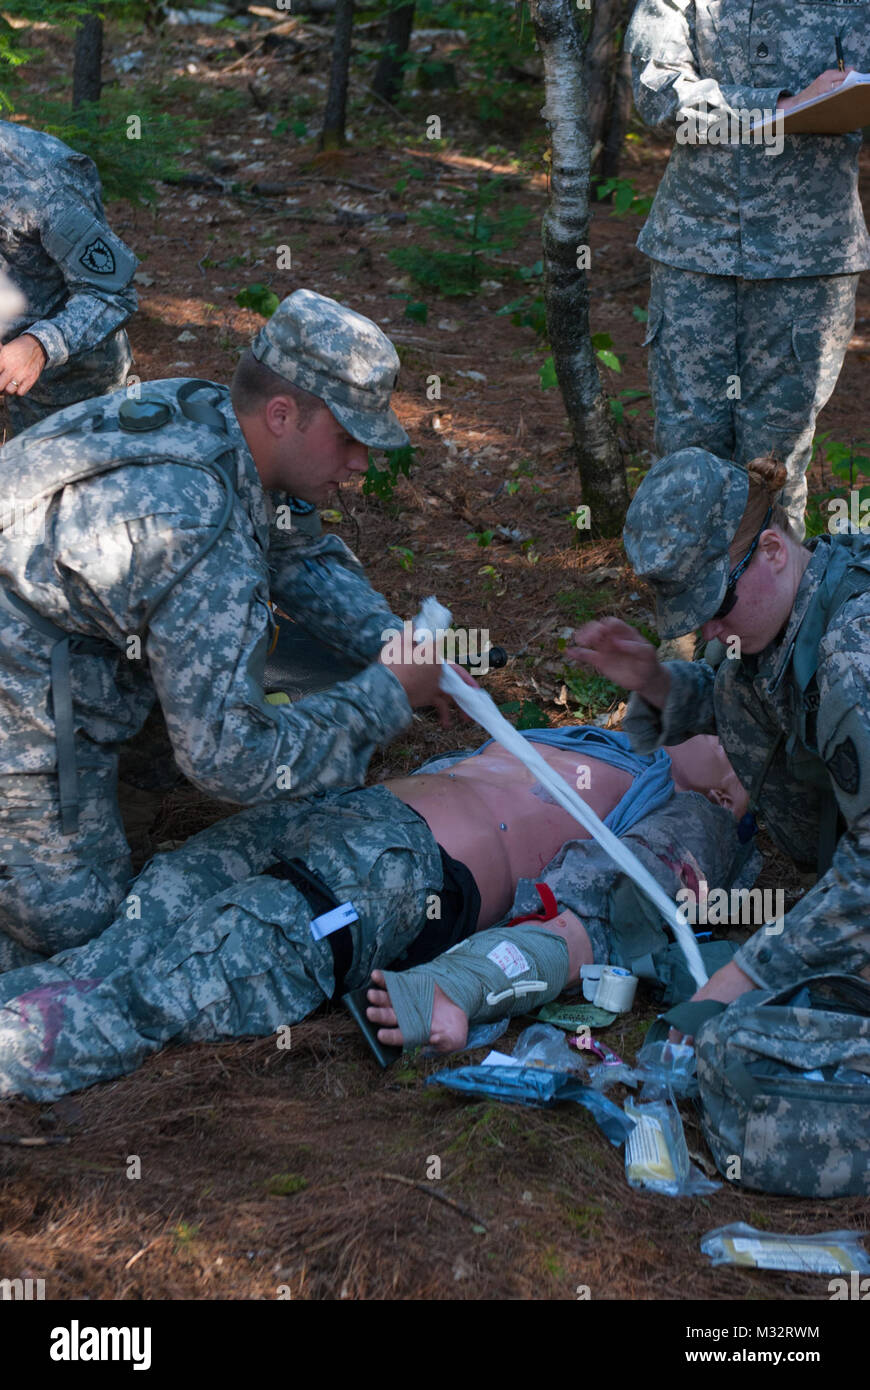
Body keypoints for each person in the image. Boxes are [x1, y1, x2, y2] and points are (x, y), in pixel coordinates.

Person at [0, 289, 457, 967]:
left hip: (54, 632)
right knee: (83, 941)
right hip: (22, 677)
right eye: (349, 437)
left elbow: (298, 553)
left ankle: (108, 792)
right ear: (283, 414)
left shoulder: (208, 412)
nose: (361, 463)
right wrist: (387, 695)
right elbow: (231, 759)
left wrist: (396, 646)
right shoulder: (195, 529)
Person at [0, 722, 751, 1100]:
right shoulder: (616, 744)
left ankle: (21, 1048)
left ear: (728, 796)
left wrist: (459, 990)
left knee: (184, 977)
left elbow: (585, 932)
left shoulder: (692, 822)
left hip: (392, 876)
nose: (729, 731)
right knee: (139, 918)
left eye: (748, 755)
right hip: (333, 819)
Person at [569, 447, 870, 1026]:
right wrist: (655, 682)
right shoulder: (787, 617)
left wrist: (743, 977)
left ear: (774, 551)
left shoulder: (853, 654)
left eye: (718, 604)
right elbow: (748, 699)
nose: (709, 629)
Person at [624, 2, 870, 532]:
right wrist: (779, 105)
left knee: (775, 467)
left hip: (808, 261)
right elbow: (655, 90)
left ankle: (772, 613)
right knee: (686, 459)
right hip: (696, 249)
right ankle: (688, 613)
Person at [0, 120, 138, 436]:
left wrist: (40, 344)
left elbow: (112, 292)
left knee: (74, 480)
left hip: (72, 382)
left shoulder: (45, 183)